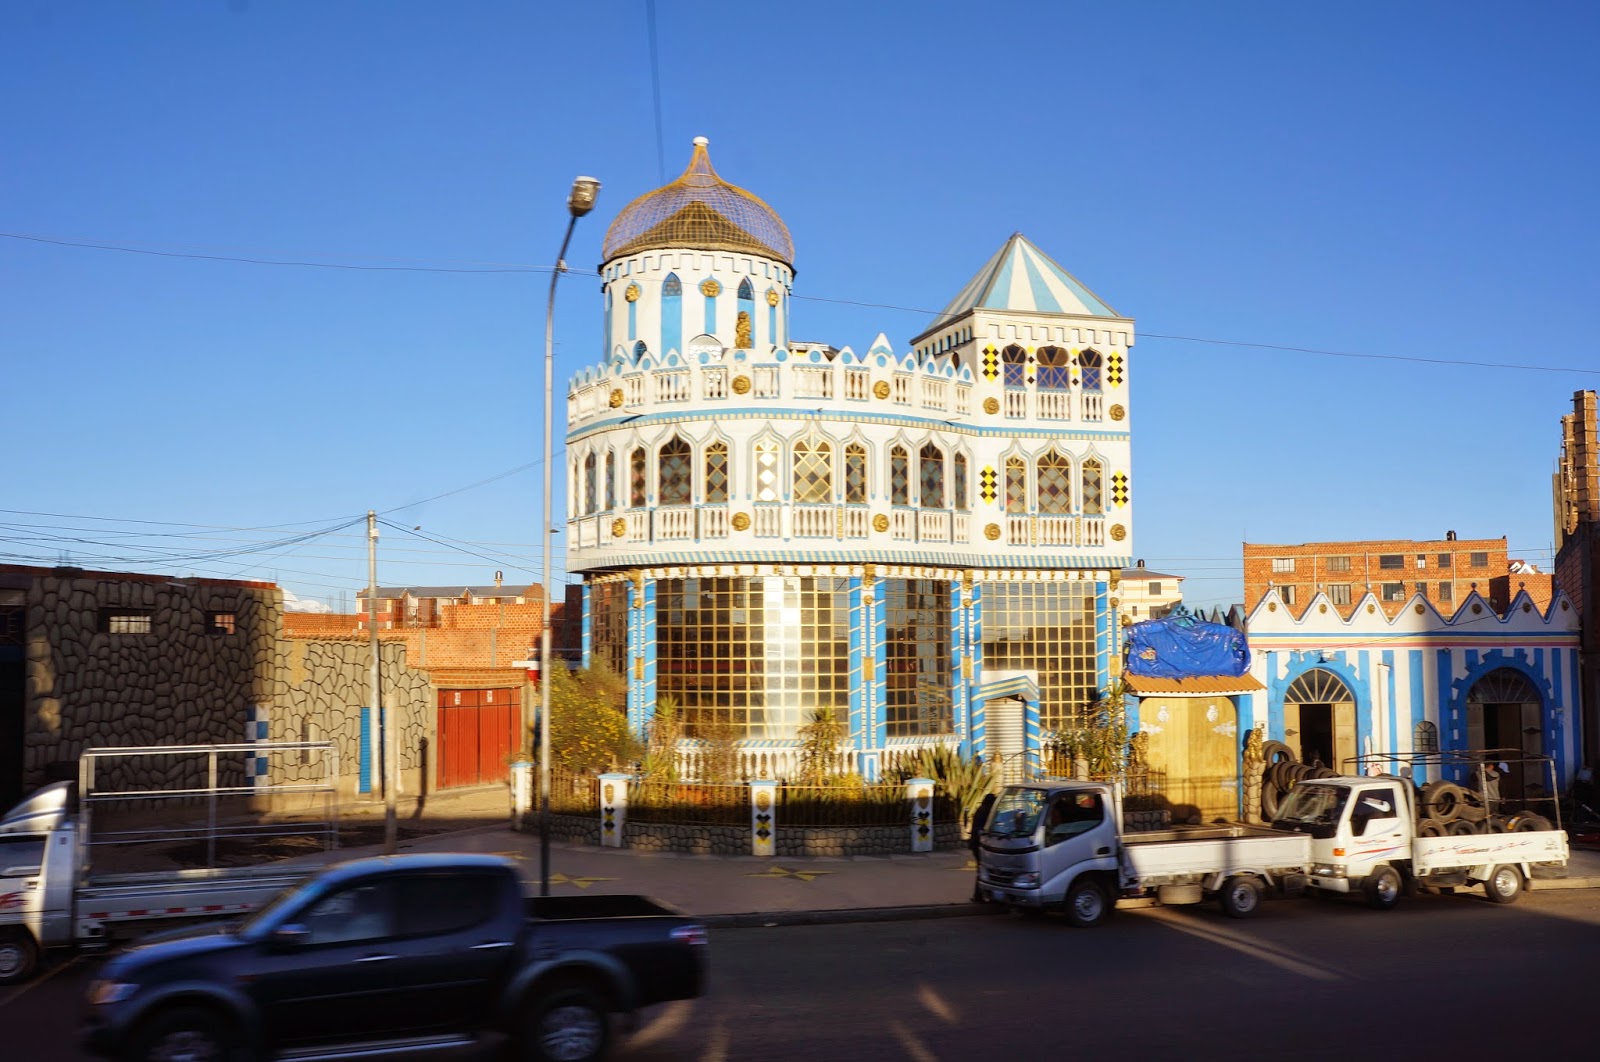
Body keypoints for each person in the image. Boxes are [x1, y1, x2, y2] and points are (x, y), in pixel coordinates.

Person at [968, 791, 998, 902]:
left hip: (976, 845)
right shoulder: (988, 812)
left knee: (982, 869)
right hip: (982, 846)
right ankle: (981, 895)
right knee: (984, 870)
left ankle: (980, 895)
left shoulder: (980, 810)